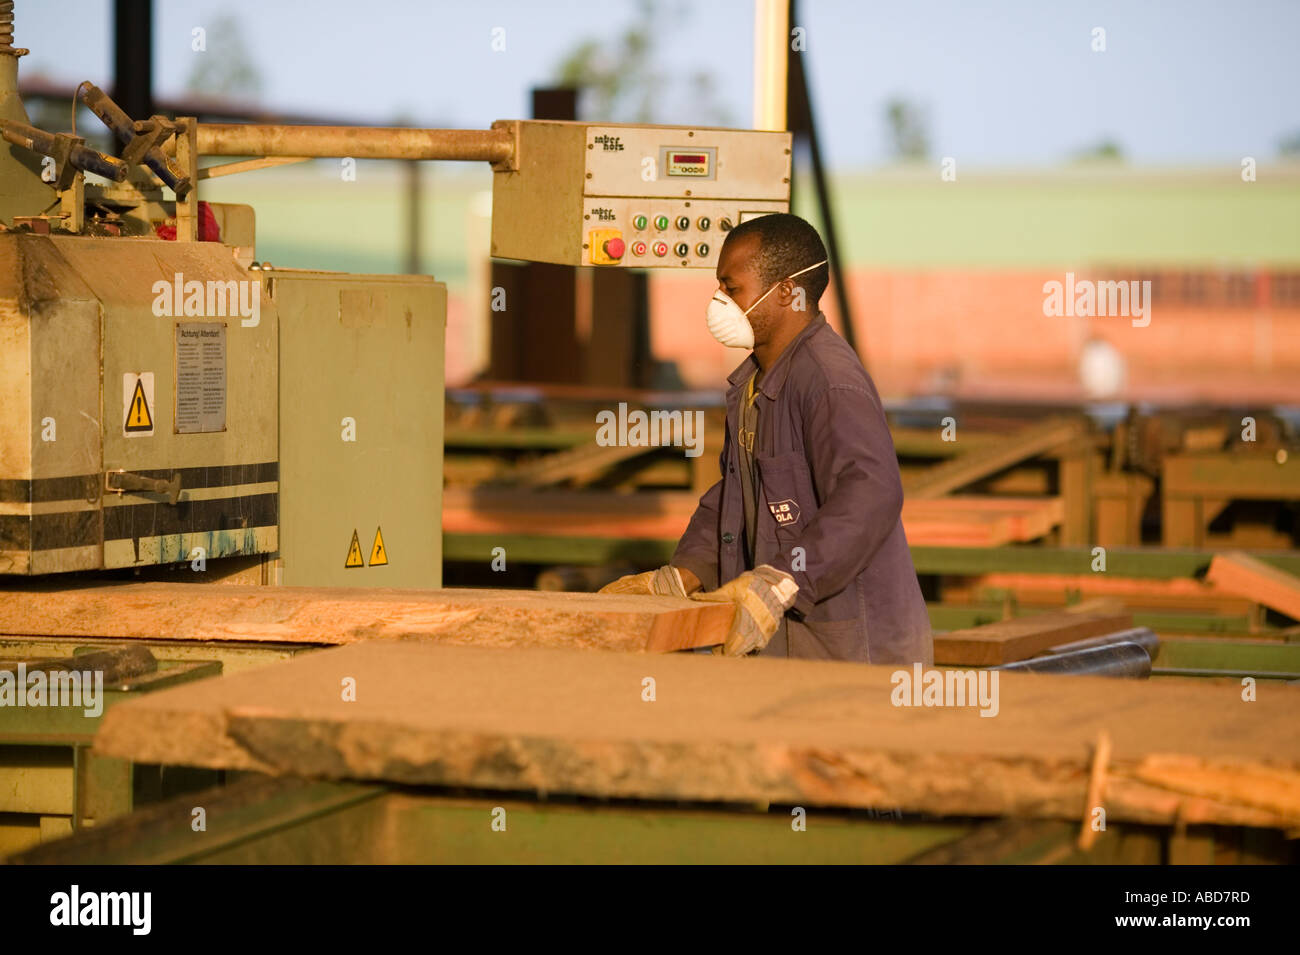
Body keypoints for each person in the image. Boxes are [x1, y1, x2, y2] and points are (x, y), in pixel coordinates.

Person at [602, 213, 932, 665]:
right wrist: (684, 574)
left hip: (852, 655)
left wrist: (783, 581)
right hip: (788, 651)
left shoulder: (828, 381)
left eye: (731, 288)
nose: (719, 302)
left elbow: (871, 492)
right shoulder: (754, 384)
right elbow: (735, 493)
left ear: (785, 291)